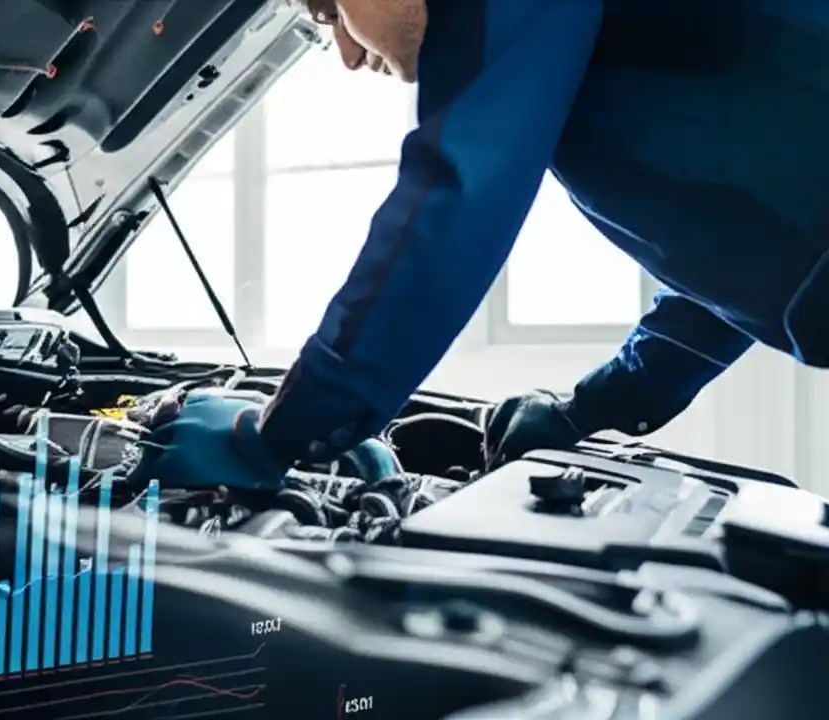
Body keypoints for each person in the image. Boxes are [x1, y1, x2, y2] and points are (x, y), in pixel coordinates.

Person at [134, 0, 829, 490]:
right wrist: (591, 410)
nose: (346, 53)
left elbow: (459, 197)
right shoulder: (602, 67)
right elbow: (743, 265)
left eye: (326, 11)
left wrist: (277, 436)